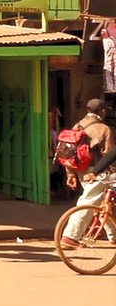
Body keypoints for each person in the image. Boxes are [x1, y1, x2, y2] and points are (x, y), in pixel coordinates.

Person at [60, 98, 116, 247]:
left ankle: (113, 236)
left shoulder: (77, 126)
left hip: (80, 170)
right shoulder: (104, 129)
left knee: (102, 201)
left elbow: (68, 153)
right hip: (97, 170)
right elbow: (109, 154)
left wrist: (70, 174)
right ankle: (71, 236)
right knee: (89, 201)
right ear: (102, 111)